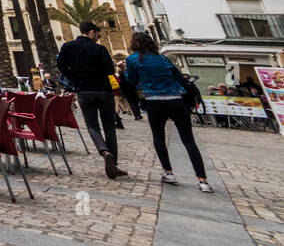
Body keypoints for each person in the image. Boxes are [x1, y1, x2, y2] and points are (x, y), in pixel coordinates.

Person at [124, 32, 213, 193]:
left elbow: (131, 81)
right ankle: (203, 180)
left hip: (154, 102)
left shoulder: (133, 59)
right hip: (175, 100)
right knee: (189, 141)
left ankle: (168, 172)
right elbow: (181, 79)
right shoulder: (163, 59)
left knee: (159, 138)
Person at [57, 20, 126, 179]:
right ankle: (113, 164)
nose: (98, 37)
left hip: (84, 91)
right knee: (109, 127)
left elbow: (60, 66)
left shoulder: (68, 47)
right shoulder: (100, 49)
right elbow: (109, 70)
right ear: (91, 32)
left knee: (92, 126)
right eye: (97, 34)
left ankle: (104, 150)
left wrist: (75, 78)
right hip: (104, 91)